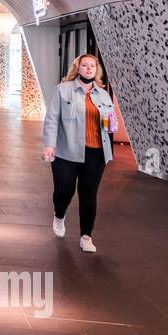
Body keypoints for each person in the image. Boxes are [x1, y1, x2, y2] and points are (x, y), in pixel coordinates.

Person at [42, 53, 116, 253]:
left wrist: (111, 125)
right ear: (78, 68)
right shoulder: (63, 90)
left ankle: (86, 236)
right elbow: (51, 119)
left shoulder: (103, 94)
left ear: (96, 70)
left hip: (95, 152)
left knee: (89, 194)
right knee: (64, 190)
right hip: (67, 150)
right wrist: (49, 145)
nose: (89, 69)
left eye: (92, 66)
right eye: (85, 65)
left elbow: (110, 121)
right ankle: (59, 215)